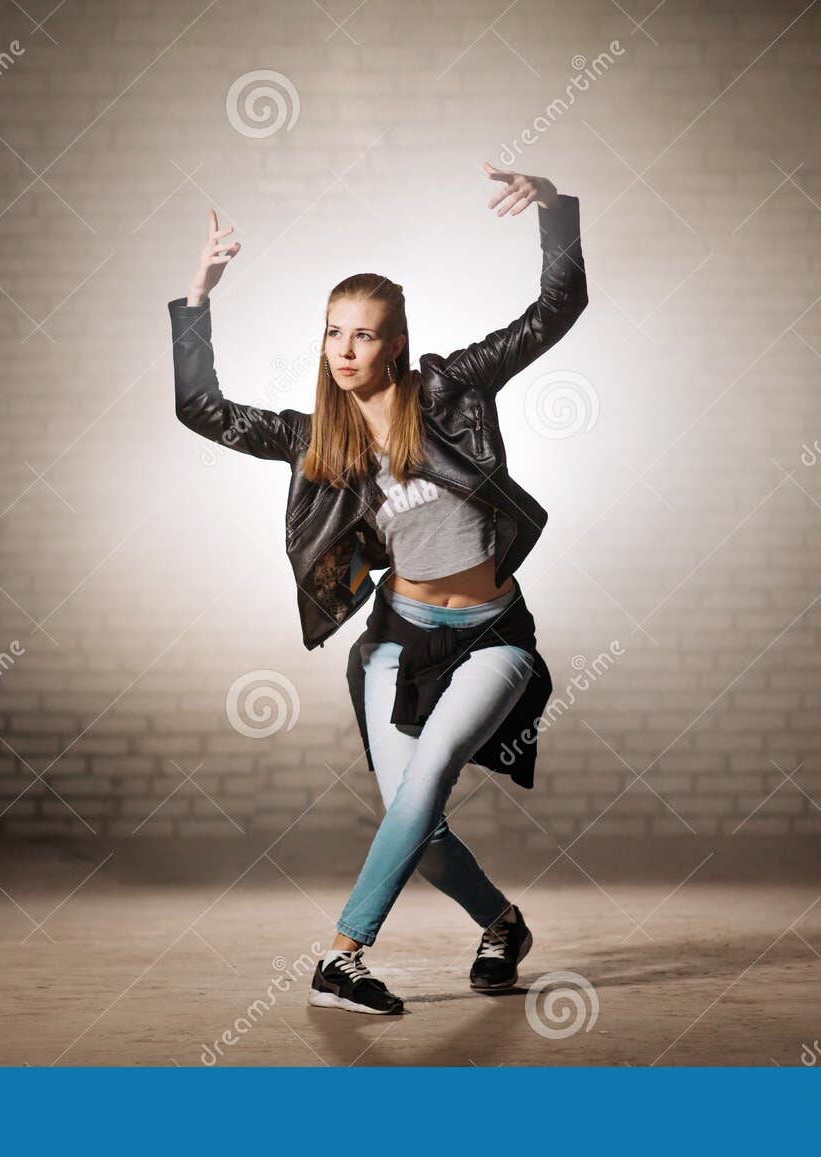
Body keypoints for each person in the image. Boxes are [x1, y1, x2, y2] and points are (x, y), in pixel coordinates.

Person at [169, 161, 589, 1014]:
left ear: (395, 340)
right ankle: (502, 922)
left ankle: (341, 955)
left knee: (430, 773)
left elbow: (557, 311)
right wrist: (199, 295)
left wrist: (554, 211)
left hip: (490, 637)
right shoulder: (315, 439)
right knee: (421, 827)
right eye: (332, 334)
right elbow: (202, 410)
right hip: (394, 643)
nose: (345, 350)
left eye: (362, 334)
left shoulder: (454, 390)